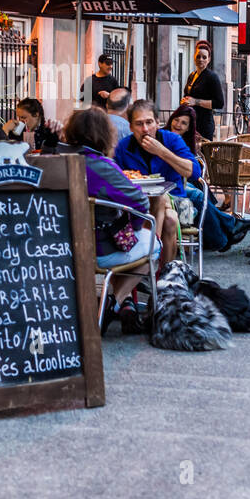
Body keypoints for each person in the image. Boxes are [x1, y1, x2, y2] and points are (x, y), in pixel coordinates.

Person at [114, 99, 250, 252]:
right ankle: (225, 235)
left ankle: (153, 255)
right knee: (184, 201)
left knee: (173, 199)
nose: (145, 129)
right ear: (130, 127)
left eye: (149, 122)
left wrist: (162, 152)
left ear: (157, 123)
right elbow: (113, 180)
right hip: (137, 204)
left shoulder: (172, 140)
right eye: (139, 124)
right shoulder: (123, 148)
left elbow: (195, 173)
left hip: (176, 200)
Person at [64, 107, 162, 334]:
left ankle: (119, 302)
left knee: (139, 246)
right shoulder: (102, 166)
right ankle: (113, 302)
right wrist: (132, 230)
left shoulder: (57, 161)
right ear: (103, 134)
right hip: (98, 249)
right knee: (153, 246)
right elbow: (141, 202)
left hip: (63, 247)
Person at [181, 41, 224, 141]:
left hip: (204, 125)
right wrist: (184, 101)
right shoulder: (192, 75)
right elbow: (187, 95)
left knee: (202, 155)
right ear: (194, 57)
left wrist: (196, 102)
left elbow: (219, 103)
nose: (201, 59)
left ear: (209, 60)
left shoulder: (212, 77)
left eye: (204, 57)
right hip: (190, 123)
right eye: (198, 56)